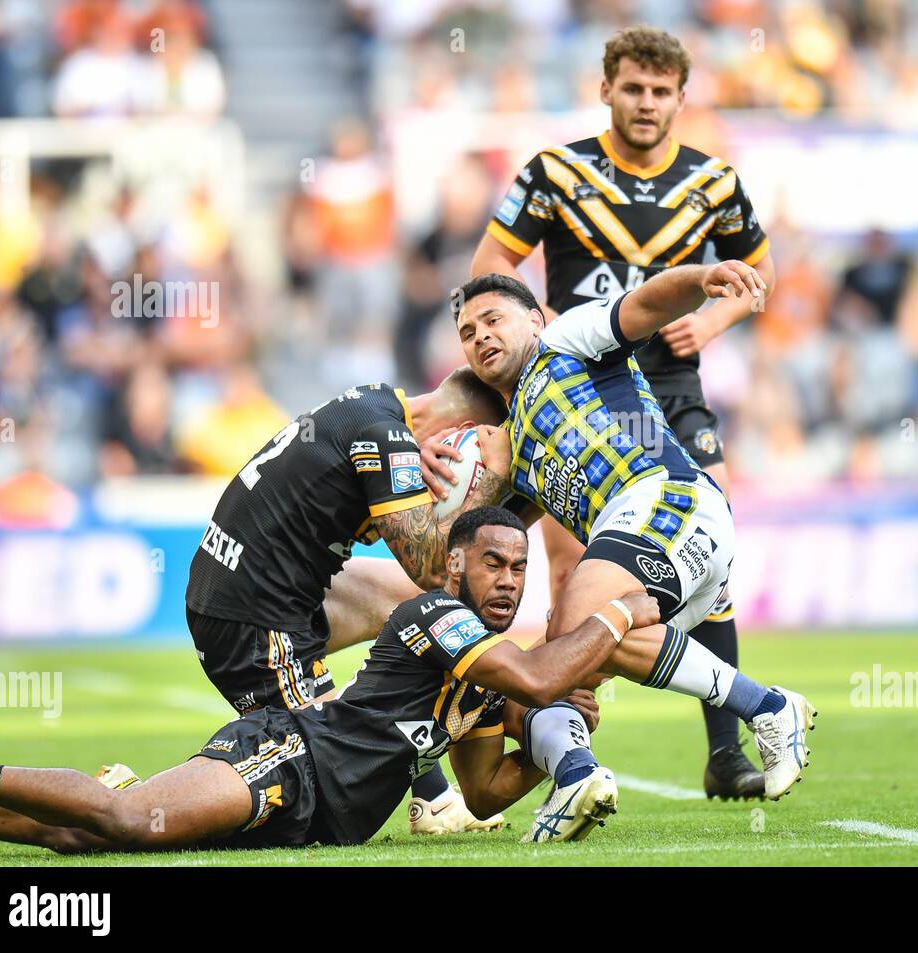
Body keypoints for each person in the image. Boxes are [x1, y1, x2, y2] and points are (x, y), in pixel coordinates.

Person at [0, 508, 661, 851]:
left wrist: (542, 760)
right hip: (292, 760)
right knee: (129, 819)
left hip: (313, 816)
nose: (507, 580)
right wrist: (620, 612)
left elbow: (483, 790)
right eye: (493, 564)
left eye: (518, 568)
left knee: (82, 839)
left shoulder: (480, 678)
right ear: (454, 569)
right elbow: (538, 681)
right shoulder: (435, 613)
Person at [467, 26, 776, 799]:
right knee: (578, 572)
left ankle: (724, 752)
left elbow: (758, 274)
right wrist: (533, 337)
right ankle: (568, 733)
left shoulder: (713, 183)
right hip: (590, 392)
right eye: (632, 88)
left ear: (680, 97)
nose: (645, 103)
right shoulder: (557, 172)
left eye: (660, 91)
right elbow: (490, 264)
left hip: (670, 390)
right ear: (606, 89)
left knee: (714, 552)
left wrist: (711, 322)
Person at [453, 266, 816, 801]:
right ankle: (577, 779)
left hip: (669, 499)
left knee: (575, 626)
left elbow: (645, 304)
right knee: (562, 658)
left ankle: (766, 708)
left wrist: (702, 279)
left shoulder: (564, 340)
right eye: (467, 332)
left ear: (533, 319)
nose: (481, 335)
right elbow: (479, 537)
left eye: (492, 319)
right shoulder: (515, 448)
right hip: (672, 559)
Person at [101, 372, 512, 835]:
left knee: (423, 605)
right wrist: (490, 479)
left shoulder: (378, 406)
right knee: (338, 758)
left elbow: (428, 581)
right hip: (251, 618)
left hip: (251, 586)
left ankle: (432, 798)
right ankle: (128, 799)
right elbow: (435, 566)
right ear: (460, 435)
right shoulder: (386, 437)